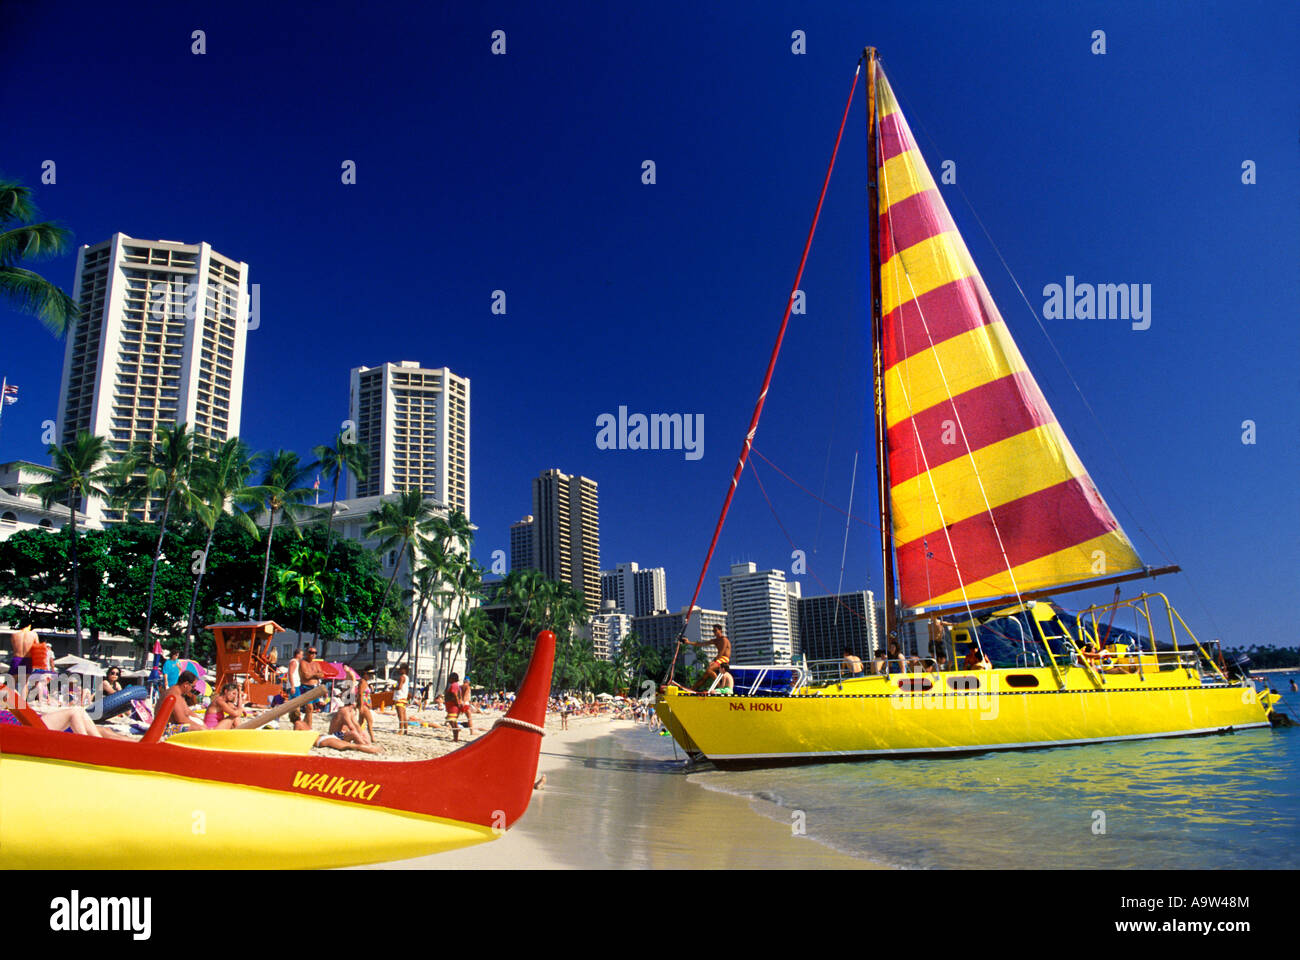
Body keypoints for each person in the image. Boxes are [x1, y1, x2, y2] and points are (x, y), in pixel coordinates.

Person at [289, 708, 383, 754]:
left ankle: (374, 750)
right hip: (325, 737)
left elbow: (295, 739)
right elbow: (309, 711)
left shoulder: (297, 724)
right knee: (352, 745)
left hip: (322, 741)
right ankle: (373, 748)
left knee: (353, 746)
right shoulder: (305, 724)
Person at [687, 624, 732, 692]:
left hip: (724, 658)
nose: (714, 632)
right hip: (719, 659)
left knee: (709, 669)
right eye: (713, 631)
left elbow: (721, 652)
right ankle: (691, 690)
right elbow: (701, 644)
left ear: (720, 630)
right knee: (704, 676)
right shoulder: (715, 640)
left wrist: (714, 661)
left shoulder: (724, 640)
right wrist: (688, 642)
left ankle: (720, 686)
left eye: (715, 630)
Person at [300, 647, 324, 723]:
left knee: (310, 708)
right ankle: (309, 726)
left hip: (315, 687)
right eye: (311, 652)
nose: (313, 654)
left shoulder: (316, 664)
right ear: (307, 653)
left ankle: (304, 723)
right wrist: (316, 674)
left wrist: (312, 674)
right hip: (306, 686)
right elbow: (306, 676)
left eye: (315, 653)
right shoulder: (303, 663)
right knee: (309, 707)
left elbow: (322, 675)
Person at [356, 667, 376, 742]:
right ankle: (372, 737)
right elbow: (360, 694)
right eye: (369, 675)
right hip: (363, 704)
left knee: (361, 722)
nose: (370, 677)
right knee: (370, 720)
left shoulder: (364, 682)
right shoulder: (363, 682)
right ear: (365, 674)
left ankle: (356, 734)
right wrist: (361, 706)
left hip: (364, 704)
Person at [444, 672, 462, 741]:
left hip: (453, 707)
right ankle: (455, 737)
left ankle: (455, 738)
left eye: (449, 678)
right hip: (452, 706)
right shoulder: (456, 685)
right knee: (452, 721)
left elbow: (455, 694)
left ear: (452, 678)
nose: (448, 679)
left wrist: (457, 703)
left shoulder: (454, 685)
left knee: (452, 721)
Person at [393, 666, 410, 735]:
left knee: (400, 715)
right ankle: (406, 730)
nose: (399, 670)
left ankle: (401, 730)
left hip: (399, 697)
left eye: (400, 669)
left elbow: (399, 687)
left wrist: (393, 688)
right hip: (404, 697)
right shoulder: (407, 677)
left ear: (404, 670)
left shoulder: (401, 677)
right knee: (404, 715)